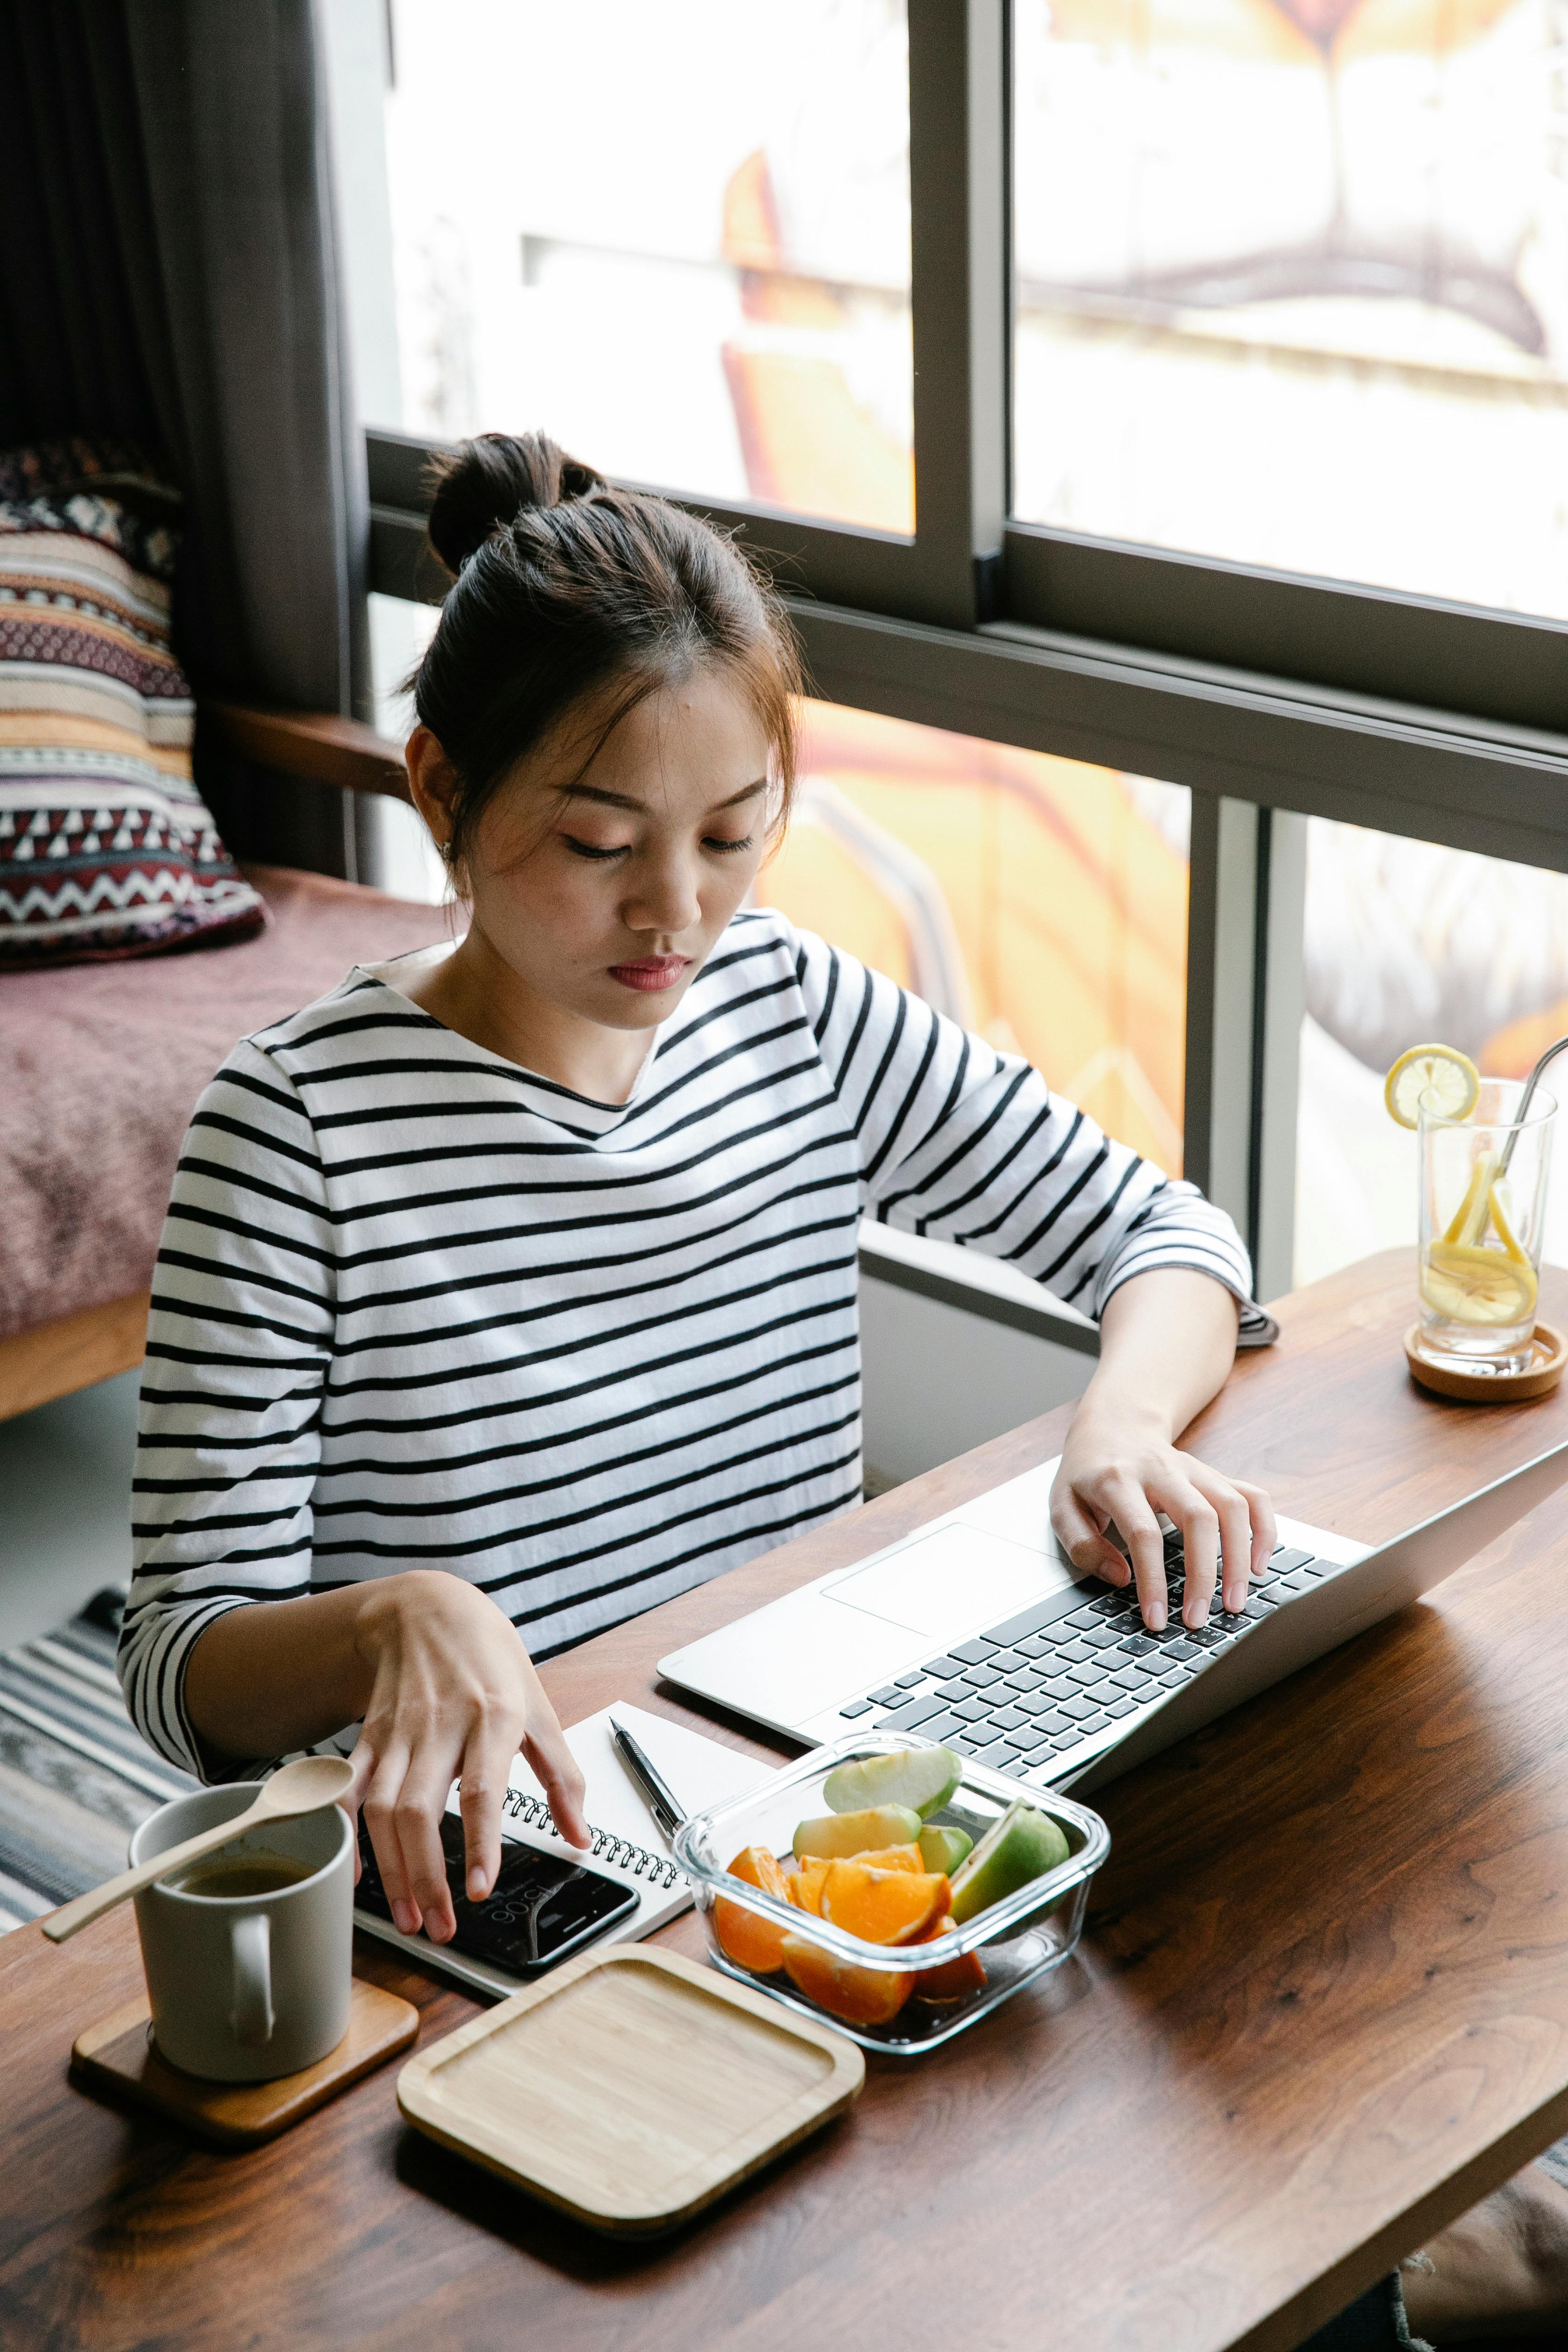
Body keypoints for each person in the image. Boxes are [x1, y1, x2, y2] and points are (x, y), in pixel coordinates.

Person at [118, 431, 1568, 2342]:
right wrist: (399, 1618)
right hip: (537, 1881)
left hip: (819, 1808)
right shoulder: (291, 1128)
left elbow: (1171, 1239)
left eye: (733, 833)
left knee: (1264, 2022)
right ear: (444, 791)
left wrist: (1117, 1432)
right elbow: (176, 1660)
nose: (677, 916)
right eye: (598, 840)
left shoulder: (786, 1008)